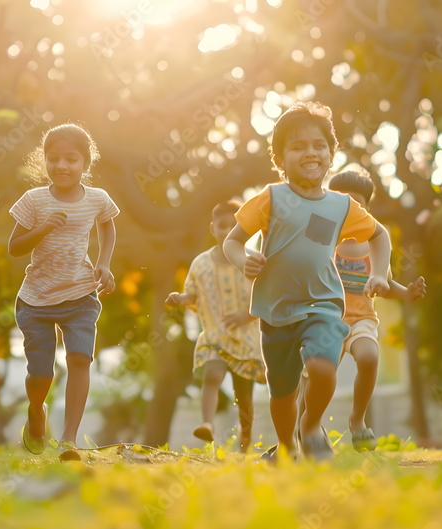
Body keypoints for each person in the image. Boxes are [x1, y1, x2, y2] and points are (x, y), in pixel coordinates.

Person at [223, 101, 391, 461]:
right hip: (276, 310)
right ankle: (286, 447)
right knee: (281, 391)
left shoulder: (342, 205)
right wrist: (243, 261)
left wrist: (378, 272)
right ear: (280, 159)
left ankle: (311, 424)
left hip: (324, 303)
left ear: (331, 154)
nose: (310, 153)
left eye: (319, 145)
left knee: (321, 365)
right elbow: (232, 241)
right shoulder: (271, 198)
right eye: (297, 146)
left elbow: (380, 236)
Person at [8, 123, 118, 454]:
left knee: (80, 359)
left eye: (71, 159)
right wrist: (42, 229)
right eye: (53, 159)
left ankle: (68, 439)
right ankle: (36, 410)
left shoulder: (97, 198)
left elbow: (108, 227)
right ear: (44, 162)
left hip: (81, 294)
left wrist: (104, 262)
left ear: (86, 163)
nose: (62, 166)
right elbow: (14, 247)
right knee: (40, 376)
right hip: (36, 301)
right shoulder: (34, 200)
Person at [327, 167, 426, 450]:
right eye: (342, 201)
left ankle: (357, 420)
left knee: (369, 358)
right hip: (326, 321)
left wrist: (407, 294)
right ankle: (305, 427)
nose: (349, 209)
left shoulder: (375, 247)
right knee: (316, 375)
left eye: (357, 203)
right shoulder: (324, 243)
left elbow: (386, 284)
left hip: (361, 320)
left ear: (366, 210)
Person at [165, 200, 265, 453]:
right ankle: (207, 423)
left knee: (245, 397)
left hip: (247, 341)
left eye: (236, 226)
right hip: (215, 337)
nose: (229, 231)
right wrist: (180, 298)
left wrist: (246, 315)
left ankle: (246, 439)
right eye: (223, 226)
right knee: (211, 375)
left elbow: (267, 297)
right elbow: (194, 295)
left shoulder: (254, 262)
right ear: (213, 229)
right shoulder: (201, 264)